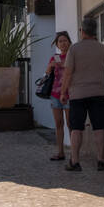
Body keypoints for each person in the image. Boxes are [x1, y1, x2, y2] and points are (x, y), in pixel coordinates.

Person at [60, 18, 104, 171]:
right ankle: (101, 161)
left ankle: (75, 161)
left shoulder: (74, 49)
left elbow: (68, 72)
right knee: (99, 127)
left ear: (82, 31)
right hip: (98, 93)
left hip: (78, 94)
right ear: (94, 31)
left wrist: (63, 92)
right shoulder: (101, 48)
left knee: (76, 128)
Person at [46, 31, 72, 162]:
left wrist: (62, 65)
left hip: (69, 93)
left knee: (70, 123)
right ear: (57, 44)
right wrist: (50, 66)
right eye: (60, 41)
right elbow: (47, 73)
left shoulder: (72, 56)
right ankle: (60, 152)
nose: (63, 43)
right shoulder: (55, 57)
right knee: (58, 124)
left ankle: (74, 153)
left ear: (69, 42)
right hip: (55, 94)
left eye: (65, 40)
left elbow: (71, 70)